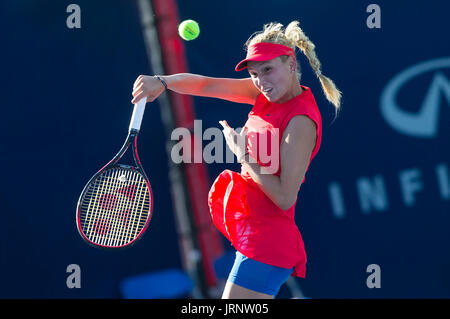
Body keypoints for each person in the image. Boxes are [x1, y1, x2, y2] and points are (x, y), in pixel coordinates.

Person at [132, 21, 341, 299]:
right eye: (255, 74)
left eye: (268, 70)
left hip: (268, 244)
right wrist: (163, 82)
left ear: (290, 64)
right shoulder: (264, 93)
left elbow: (284, 197)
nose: (261, 80)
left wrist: (242, 153)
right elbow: (207, 85)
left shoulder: (300, 121)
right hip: (256, 239)